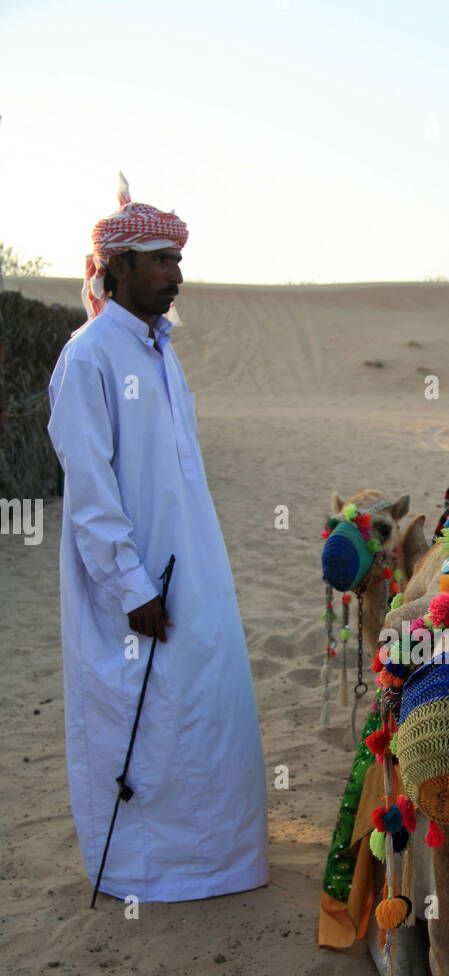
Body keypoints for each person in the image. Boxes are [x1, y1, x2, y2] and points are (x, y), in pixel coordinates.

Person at [47, 173, 268, 902]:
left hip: (193, 567)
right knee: (144, 724)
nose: (176, 274)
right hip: (134, 585)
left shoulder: (160, 351)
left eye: (177, 258)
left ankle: (222, 864)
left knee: (207, 706)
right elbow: (90, 494)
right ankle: (150, 874)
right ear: (114, 269)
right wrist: (131, 587)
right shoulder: (89, 357)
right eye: (159, 260)